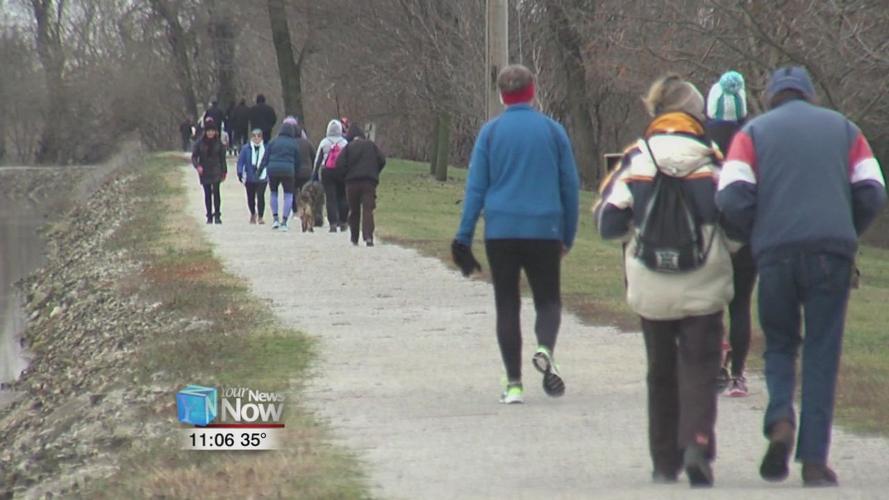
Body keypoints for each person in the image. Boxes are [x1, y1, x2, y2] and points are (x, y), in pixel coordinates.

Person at [716, 66, 886, 487]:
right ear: (809, 95)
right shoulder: (845, 130)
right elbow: (873, 190)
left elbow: (730, 196)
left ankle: (780, 419)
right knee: (822, 350)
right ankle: (814, 460)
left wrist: (758, 231)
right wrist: (846, 228)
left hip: (776, 253)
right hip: (832, 253)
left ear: (770, 96)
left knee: (779, 344)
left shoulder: (751, 134)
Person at [597, 74, 736, 487]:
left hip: (651, 284)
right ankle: (696, 442)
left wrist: (636, 233)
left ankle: (663, 461)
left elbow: (608, 223)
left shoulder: (636, 158)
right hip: (703, 279)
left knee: (660, 371)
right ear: (696, 115)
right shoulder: (712, 160)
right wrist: (725, 249)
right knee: (700, 366)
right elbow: (736, 222)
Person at [453, 64, 580, 407]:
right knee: (548, 300)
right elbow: (570, 187)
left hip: (501, 231)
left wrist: (464, 236)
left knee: (507, 304)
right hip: (545, 229)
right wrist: (568, 234)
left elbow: (476, 188)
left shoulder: (490, 133)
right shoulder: (553, 131)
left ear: (501, 95)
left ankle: (513, 384)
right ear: (533, 91)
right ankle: (545, 348)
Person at [705, 70, 755, 398]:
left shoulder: (701, 140)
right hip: (747, 232)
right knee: (741, 304)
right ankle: (737, 374)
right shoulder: (753, 139)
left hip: (710, 232)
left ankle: (713, 364)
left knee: (710, 301)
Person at [333, 124, 386, 246]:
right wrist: (374, 172)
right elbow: (382, 160)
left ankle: (354, 237)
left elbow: (339, 164)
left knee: (354, 210)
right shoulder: (371, 145)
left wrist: (345, 176)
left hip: (352, 183)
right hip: (369, 182)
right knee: (368, 209)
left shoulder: (348, 148)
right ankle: (368, 237)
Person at [259, 120, 300, 231]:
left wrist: (260, 170)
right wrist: (296, 172)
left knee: (274, 193)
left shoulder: (273, 142)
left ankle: (275, 219)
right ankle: (284, 221)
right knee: (288, 195)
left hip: (273, 170)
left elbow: (265, 157)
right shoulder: (294, 144)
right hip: (288, 171)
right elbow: (298, 160)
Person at [314, 119, 350, 232]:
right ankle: (343, 222)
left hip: (327, 171)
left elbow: (318, 160)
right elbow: (349, 159)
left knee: (330, 198)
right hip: (341, 172)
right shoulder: (344, 143)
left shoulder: (324, 142)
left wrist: (315, 174)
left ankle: (333, 223)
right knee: (343, 196)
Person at [191, 117, 227, 224]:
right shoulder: (199, 143)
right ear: (205, 132)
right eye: (208, 131)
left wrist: (224, 171)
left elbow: (222, 158)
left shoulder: (219, 143)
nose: (210, 133)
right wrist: (198, 166)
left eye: (212, 131)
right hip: (204, 170)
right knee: (207, 194)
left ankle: (217, 215)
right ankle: (209, 215)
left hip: (216, 169)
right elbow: (194, 157)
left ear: (215, 132)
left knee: (216, 192)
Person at [236, 128, 268, 224]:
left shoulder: (266, 148)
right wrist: (240, 172)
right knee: (250, 197)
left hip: (262, 177)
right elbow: (241, 162)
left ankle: (261, 216)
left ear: (262, 138)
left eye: (259, 136)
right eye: (254, 136)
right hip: (249, 177)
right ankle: (253, 213)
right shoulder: (246, 148)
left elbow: (269, 161)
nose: (256, 138)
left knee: (261, 196)